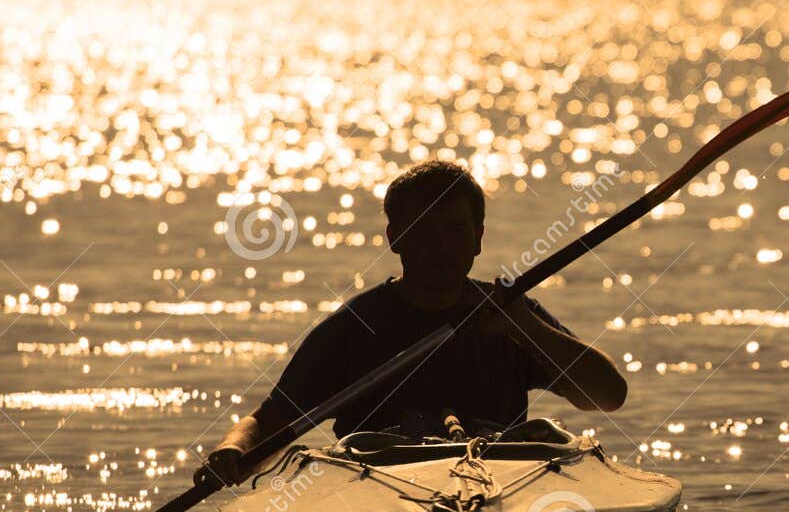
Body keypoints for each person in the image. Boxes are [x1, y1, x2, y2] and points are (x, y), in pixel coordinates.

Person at [194, 160, 627, 486]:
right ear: (395, 238)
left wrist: (524, 328)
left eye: (454, 230)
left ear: (479, 237)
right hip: (380, 491)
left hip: (495, 489)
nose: (440, 246)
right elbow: (270, 421)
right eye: (423, 230)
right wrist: (233, 450)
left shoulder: (510, 315)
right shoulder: (354, 328)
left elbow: (608, 395)